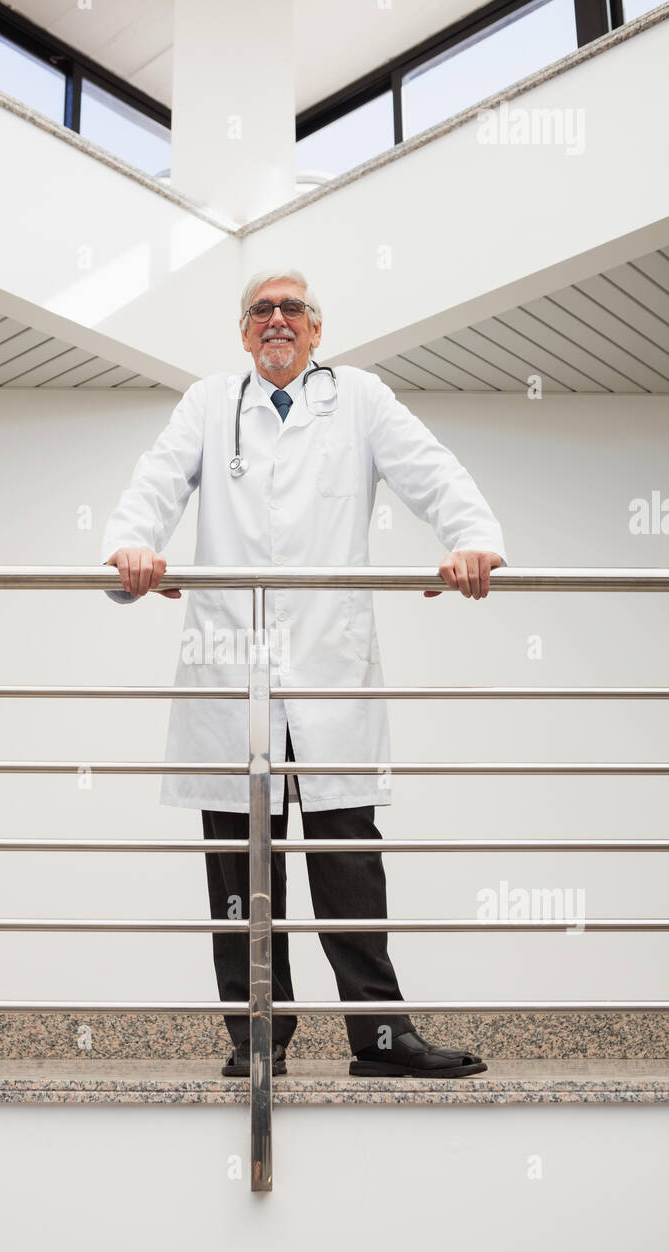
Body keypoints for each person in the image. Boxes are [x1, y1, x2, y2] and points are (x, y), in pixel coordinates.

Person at [101, 268, 507, 1080]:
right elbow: (155, 481)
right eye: (262, 311)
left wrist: (471, 538)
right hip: (230, 664)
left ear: (316, 331)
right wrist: (132, 548)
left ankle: (381, 1040)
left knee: (347, 853)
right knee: (238, 862)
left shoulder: (359, 398)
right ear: (244, 333)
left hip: (328, 665)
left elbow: (432, 472)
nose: (277, 320)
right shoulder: (209, 405)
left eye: (293, 310)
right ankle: (257, 1040)